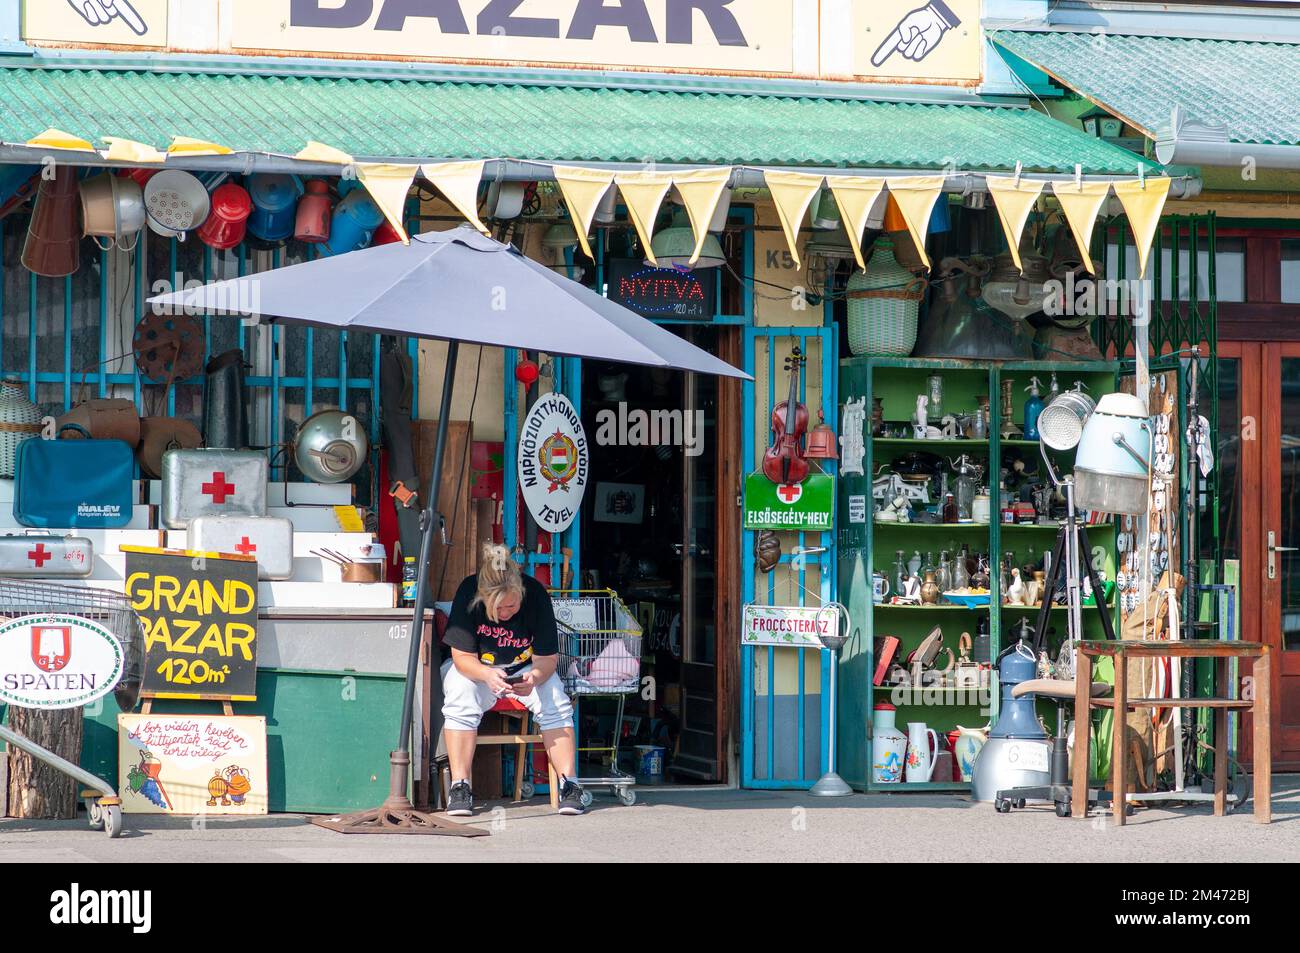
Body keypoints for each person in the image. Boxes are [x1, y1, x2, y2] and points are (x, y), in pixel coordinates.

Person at [440, 542, 584, 816]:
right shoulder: (468, 590)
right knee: (459, 693)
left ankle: (570, 784)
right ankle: (460, 786)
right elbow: (461, 657)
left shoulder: (536, 596)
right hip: (477, 669)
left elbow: (547, 659)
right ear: (482, 598)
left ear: (520, 592)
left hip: (523, 670)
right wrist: (485, 673)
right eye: (498, 609)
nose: (505, 613)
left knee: (555, 697)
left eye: (511, 605)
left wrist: (535, 677)